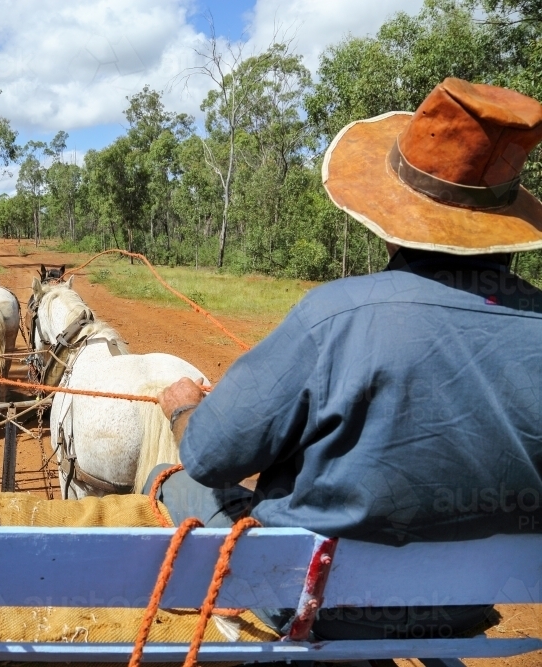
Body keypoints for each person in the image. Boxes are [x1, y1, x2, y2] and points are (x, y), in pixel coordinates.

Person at [150, 78, 542, 639]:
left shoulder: (335, 315)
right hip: (462, 609)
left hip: (314, 598)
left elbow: (212, 459)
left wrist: (184, 410)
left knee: (167, 482)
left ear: (395, 220)